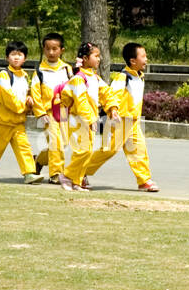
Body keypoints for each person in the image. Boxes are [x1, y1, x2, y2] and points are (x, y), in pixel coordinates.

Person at [83, 42, 157, 191]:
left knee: (139, 150)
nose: (146, 59)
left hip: (133, 122)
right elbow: (112, 95)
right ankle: (79, 172)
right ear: (133, 61)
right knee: (108, 150)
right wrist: (113, 110)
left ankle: (144, 180)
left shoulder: (139, 77)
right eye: (143, 56)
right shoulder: (123, 77)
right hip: (119, 121)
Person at [0, 40, 41, 184]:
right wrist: (24, 107)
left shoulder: (24, 76)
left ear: (25, 58)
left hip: (17, 121)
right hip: (2, 120)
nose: (16, 57)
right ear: (7, 58)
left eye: (20, 54)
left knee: (24, 147)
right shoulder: (4, 75)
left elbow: (24, 94)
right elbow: (8, 97)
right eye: (13, 54)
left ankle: (29, 173)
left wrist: (29, 99)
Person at [59, 42, 118, 191]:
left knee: (86, 151)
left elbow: (106, 93)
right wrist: (90, 120)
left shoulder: (94, 77)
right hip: (78, 120)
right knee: (83, 151)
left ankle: (77, 182)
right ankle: (66, 175)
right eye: (96, 56)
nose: (99, 59)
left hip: (88, 120)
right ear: (85, 58)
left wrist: (112, 108)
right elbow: (81, 102)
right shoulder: (79, 78)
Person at [29, 32, 73, 184]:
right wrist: (40, 113)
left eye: (55, 49)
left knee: (64, 143)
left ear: (62, 50)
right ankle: (56, 174)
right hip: (49, 114)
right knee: (56, 142)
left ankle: (38, 160)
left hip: (65, 113)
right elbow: (35, 94)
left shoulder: (67, 69)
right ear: (43, 50)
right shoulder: (39, 71)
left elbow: (75, 89)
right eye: (48, 49)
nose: (51, 52)